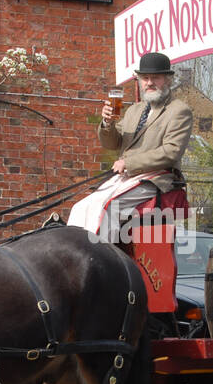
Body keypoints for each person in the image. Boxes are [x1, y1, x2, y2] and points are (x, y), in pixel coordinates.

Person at [68, 51, 193, 242]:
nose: (149, 83)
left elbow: (171, 151)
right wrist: (107, 123)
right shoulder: (135, 110)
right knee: (81, 207)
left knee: (107, 206)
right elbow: (113, 143)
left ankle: (103, 262)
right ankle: (75, 255)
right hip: (127, 177)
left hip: (157, 178)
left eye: (155, 78)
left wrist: (128, 162)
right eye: (145, 78)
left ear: (168, 80)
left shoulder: (178, 110)